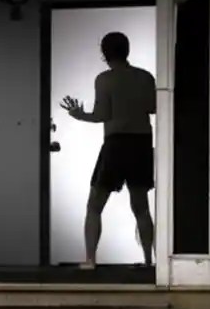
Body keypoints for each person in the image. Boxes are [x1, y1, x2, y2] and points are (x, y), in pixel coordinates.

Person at [59, 31, 156, 269]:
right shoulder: (145, 77)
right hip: (141, 143)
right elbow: (154, 108)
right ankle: (149, 260)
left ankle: (90, 260)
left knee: (94, 205)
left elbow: (102, 115)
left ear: (104, 53)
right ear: (127, 50)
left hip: (116, 144)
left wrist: (78, 114)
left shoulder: (104, 80)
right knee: (141, 206)